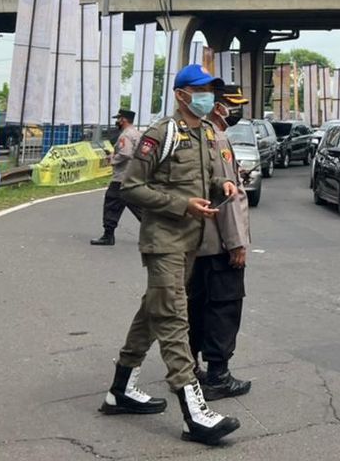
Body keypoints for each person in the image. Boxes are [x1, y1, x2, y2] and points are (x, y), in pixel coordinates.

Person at [98, 64, 242, 446]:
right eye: (201, 89)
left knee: (152, 310)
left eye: (212, 89)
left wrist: (221, 182)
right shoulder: (161, 133)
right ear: (181, 94)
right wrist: (183, 205)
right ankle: (195, 414)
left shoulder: (206, 132)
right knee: (173, 318)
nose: (209, 95)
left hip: (192, 242)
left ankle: (120, 389)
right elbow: (131, 187)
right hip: (163, 241)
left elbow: (208, 175)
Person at [188, 79, 252, 400]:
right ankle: (217, 375)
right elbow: (229, 196)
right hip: (219, 242)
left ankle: (190, 369)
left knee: (196, 305)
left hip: (196, 242)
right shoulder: (219, 138)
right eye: (233, 104)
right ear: (218, 106)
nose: (237, 111)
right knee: (224, 307)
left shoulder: (196, 136)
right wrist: (236, 242)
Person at [91, 109, 143, 246]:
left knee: (111, 204)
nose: (117, 122)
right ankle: (154, 234)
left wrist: (112, 159)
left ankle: (108, 235)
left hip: (121, 177)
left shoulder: (125, 135)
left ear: (123, 120)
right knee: (139, 206)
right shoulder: (137, 134)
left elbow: (125, 153)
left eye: (118, 119)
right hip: (134, 175)